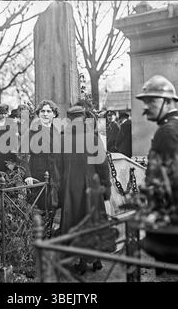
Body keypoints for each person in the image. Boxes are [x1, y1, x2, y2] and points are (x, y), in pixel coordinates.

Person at [58, 105, 111, 274]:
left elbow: (57, 166)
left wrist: (59, 186)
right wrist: (106, 186)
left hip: (70, 187)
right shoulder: (93, 137)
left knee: (76, 221)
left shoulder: (63, 138)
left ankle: (82, 261)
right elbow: (103, 165)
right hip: (91, 184)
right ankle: (95, 260)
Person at [135, 75, 178, 182]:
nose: (145, 107)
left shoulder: (167, 132)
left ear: (169, 102)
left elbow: (170, 180)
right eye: (145, 102)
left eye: (152, 101)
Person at [20, 100, 63, 238]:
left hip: (55, 179)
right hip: (37, 179)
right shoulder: (32, 132)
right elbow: (21, 155)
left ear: (54, 114)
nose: (45, 114)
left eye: (49, 111)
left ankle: (48, 241)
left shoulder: (58, 133)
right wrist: (27, 175)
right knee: (36, 214)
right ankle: (34, 245)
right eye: (42, 111)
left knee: (52, 211)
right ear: (38, 114)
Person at [0, 103, 15, 174]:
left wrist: (13, 161)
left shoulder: (11, 125)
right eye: (1, 114)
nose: (3, 116)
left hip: (8, 156)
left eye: (5, 113)